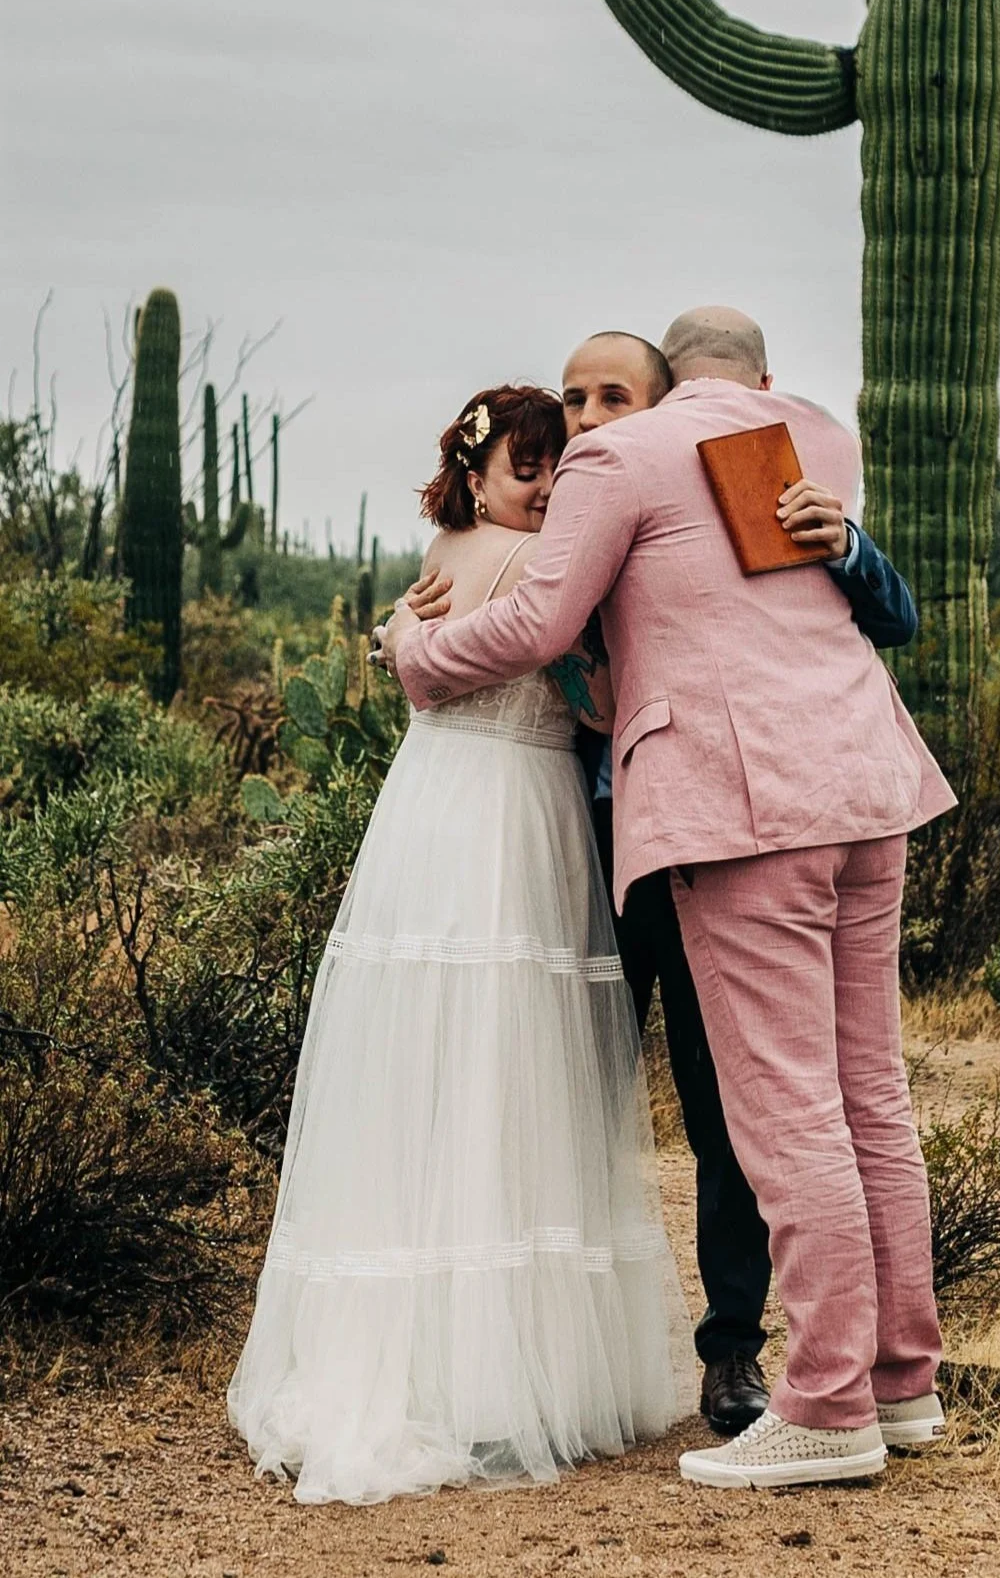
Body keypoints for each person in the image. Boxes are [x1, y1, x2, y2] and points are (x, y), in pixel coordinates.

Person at [382, 308, 957, 1490]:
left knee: (783, 1109)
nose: (587, 422)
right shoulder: (797, 440)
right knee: (868, 1096)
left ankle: (827, 1403)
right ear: (754, 380)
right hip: (863, 782)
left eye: (609, 397)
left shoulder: (628, 461)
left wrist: (413, 653)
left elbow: (541, 621)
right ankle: (903, 1384)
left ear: (663, 389)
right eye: (575, 401)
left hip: (739, 812)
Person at [228, 384, 691, 1505]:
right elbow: (586, 697)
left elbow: (430, 662)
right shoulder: (533, 565)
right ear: (478, 475)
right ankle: (492, 1371)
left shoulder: (438, 556)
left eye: (554, 469)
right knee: (507, 1047)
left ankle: (448, 1348)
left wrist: (399, 629)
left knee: (442, 1048)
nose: (542, 489)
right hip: (504, 814)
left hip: (434, 805)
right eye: (526, 469)